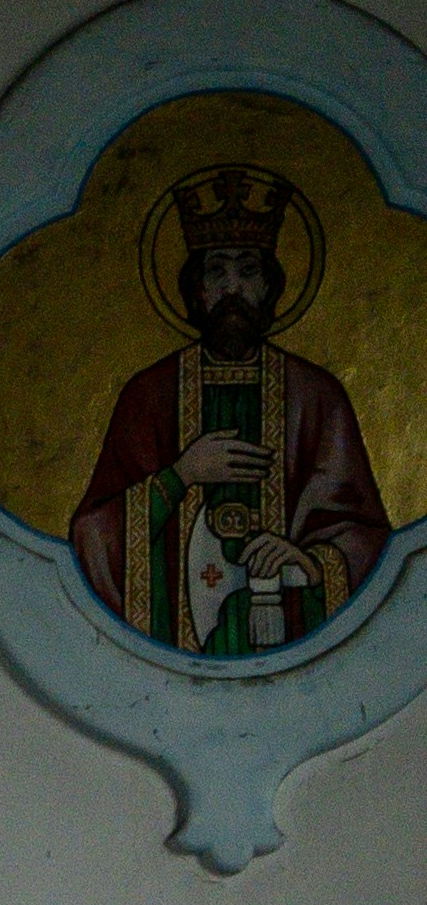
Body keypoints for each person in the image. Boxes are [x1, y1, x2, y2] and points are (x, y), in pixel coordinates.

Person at [69, 164, 391, 655]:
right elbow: (94, 532)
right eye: (217, 270)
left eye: (248, 269)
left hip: (294, 638)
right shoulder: (150, 395)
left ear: (271, 286)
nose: (232, 287)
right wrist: (180, 476)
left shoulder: (316, 396)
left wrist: (307, 561)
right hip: (175, 644)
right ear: (195, 288)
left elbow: (364, 535)